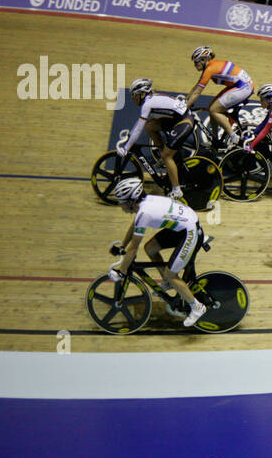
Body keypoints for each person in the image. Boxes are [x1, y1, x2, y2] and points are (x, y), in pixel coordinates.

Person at [106, 177, 207, 327]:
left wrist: (122, 271)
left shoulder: (144, 213)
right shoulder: (145, 204)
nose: (120, 204)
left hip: (190, 232)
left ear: (131, 200)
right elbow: (135, 225)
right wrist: (122, 244)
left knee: (170, 274)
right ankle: (168, 283)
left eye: (122, 201)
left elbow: (134, 248)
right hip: (184, 226)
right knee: (150, 248)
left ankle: (197, 307)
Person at [115, 77, 193, 201]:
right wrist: (129, 139)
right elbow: (141, 124)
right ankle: (163, 155)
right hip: (178, 118)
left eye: (134, 95)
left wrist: (126, 148)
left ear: (142, 94)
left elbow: (138, 129)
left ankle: (177, 190)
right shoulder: (151, 98)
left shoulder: (148, 104)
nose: (132, 99)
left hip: (184, 122)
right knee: (149, 126)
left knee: (167, 156)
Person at [182, 46, 253, 149]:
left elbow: (197, 92)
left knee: (214, 110)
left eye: (196, 62)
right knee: (211, 107)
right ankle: (215, 140)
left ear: (204, 59)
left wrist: (184, 108)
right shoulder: (209, 66)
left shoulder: (210, 69)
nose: (195, 65)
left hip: (243, 86)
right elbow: (196, 86)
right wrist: (186, 99)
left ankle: (234, 137)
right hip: (237, 85)